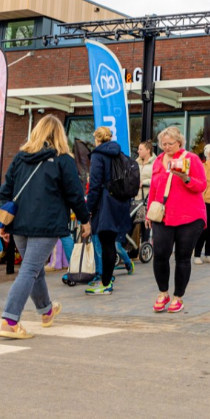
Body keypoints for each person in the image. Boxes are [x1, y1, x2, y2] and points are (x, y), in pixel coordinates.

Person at [0, 114, 90, 339]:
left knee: (33, 269)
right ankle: (10, 321)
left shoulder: (20, 157)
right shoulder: (63, 160)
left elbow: (6, 191)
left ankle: (47, 311)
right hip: (46, 224)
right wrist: (85, 220)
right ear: (59, 135)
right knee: (29, 269)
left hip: (18, 223)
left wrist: (2, 222)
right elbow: (75, 194)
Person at [146, 126, 206, 312]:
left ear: (179, 142)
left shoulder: (191, 159)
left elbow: (201, 185)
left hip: (189, 216)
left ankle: (178, 297)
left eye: (170, 144)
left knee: (182, 257)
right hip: (162, 216)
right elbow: (154, 190)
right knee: (160, 255)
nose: (166, 147)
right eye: (163, 144)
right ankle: (162, 293)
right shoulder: (157, 161)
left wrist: (186, 178)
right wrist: (149, 212)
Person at [84, 126, 133, 294]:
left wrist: (88, 208)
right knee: (110, 243)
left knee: (106, 245)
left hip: (104, 204)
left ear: (97, 139)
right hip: (118, 202)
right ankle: (107, 280)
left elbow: (95, 185)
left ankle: (105, 284)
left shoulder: (98, 155)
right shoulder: (119, 153)